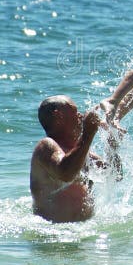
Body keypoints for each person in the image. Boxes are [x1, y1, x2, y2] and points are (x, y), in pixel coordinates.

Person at [30, 95, 121, 223]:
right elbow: (66, 173)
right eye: (75, 111)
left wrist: (112, 147)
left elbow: (115, 175)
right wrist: (88, 133)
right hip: (52, 234)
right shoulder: (45, 147)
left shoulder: (82, 154)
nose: (80, 115)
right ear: (59, 116)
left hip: (83, 231)